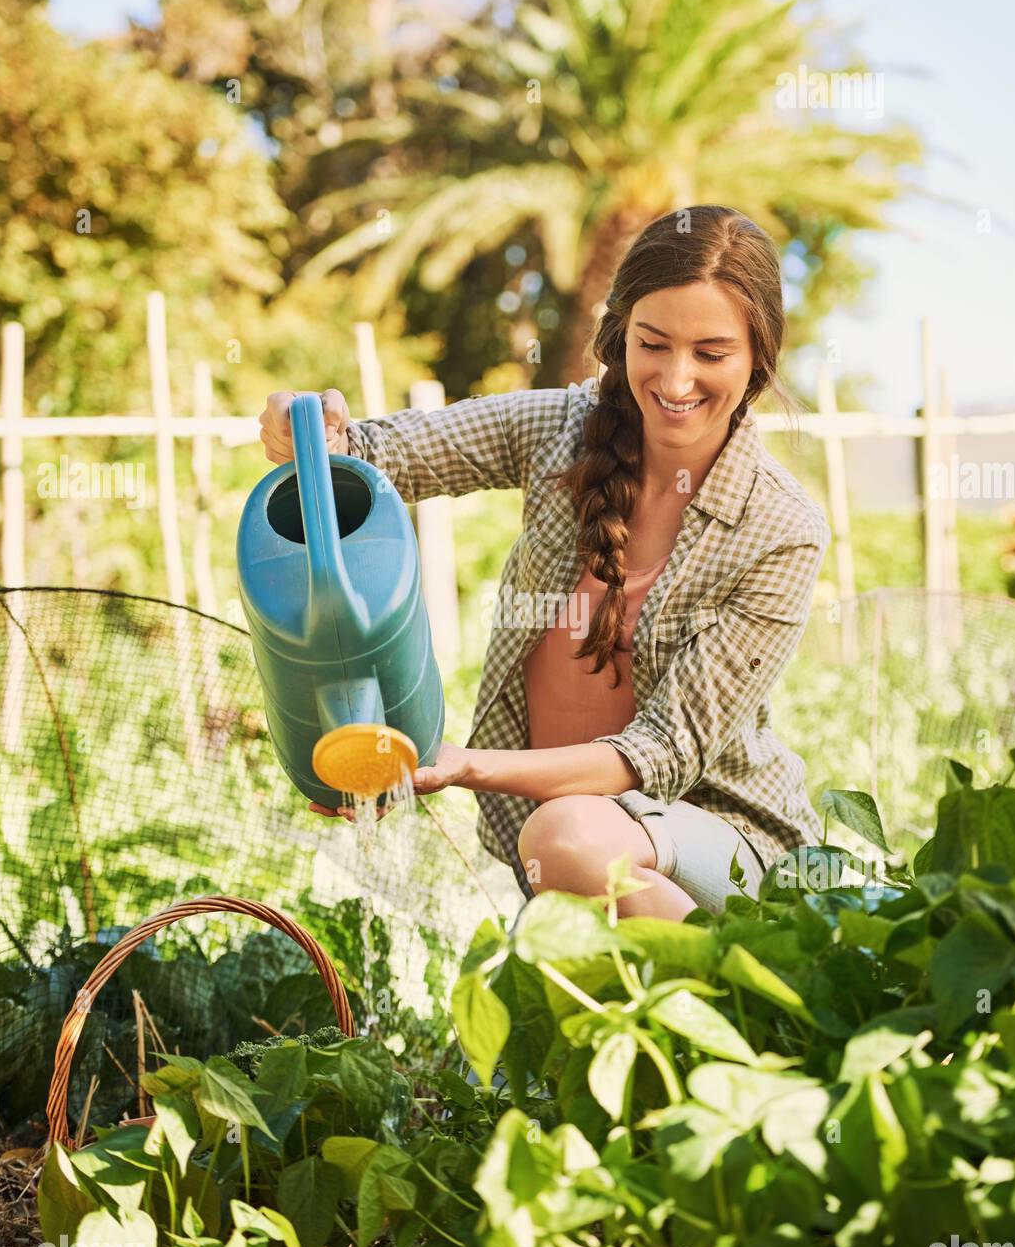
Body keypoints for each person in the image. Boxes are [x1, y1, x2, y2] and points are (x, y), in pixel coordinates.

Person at [257, 204, 830, 923]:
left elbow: (659, 755)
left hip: (726, 847)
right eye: (653, 343)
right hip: (577, 850)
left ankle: (764, 998)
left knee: (565, 836)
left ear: (757, 358)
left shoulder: (781, 529)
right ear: (621, 336)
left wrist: (462, 765)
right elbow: (375, 455)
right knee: (556, 887)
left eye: (711, 354)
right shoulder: (561, 428)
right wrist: (303, 427)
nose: (677, 380)